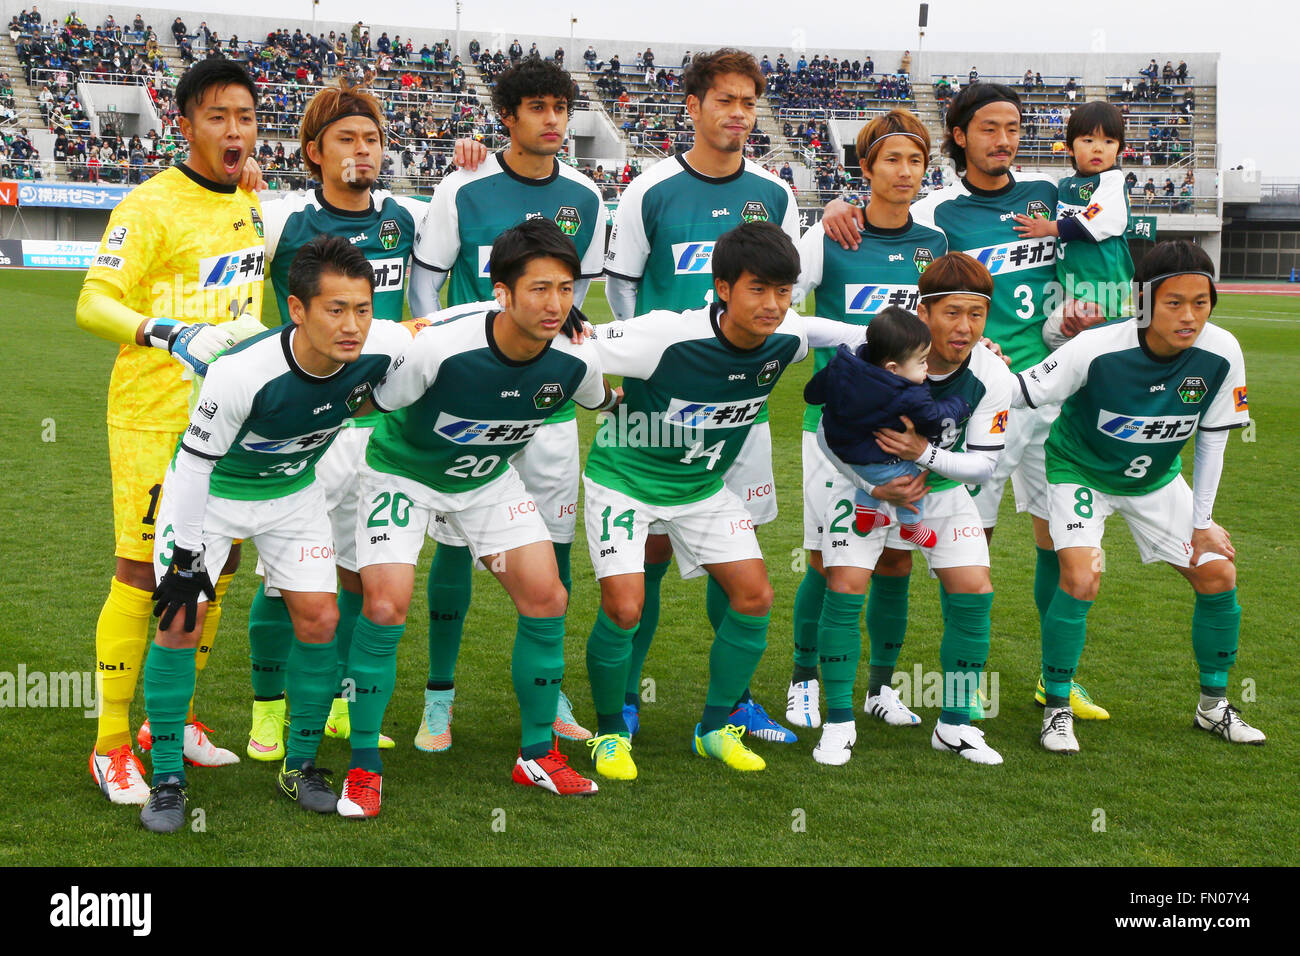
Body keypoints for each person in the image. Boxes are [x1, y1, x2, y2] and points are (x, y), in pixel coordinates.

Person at [819, 82, 1111, 720]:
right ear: (958, 136)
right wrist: (837, 204)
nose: (1003, 140)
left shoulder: (1049, 197)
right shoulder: (940, 214)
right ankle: (941, 685)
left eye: (1013, 128)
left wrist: (1072, 318)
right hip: (974, 391)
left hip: (1048, 388)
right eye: (989, 128)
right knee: (961, 538)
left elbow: (1106, 183)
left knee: (1054, 537)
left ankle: (1054, 681)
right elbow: (885, 208)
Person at [138, 237, 411, 832]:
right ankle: (165, 777)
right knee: (181, 622)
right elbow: (195, 467)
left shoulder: (381, 349)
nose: (352, 325)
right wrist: (185, 559)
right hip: (211, 499)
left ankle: (301, 764)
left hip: (292, 498)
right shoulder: (242, 374)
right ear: (297, 309)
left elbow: (437, 330)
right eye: (335, 309)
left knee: (320, 618)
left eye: (362, 309)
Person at [346, 219, 617, 813]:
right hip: (404, 476)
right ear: (502, 293)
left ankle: (537, 754)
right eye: (540, 289)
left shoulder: (575, 359)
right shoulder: (440, 347)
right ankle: (363, 763)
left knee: (547, 596)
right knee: (386, 604)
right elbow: (379, 402)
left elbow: (606, 400)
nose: (555, 304)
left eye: (567, 289)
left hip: (488, 481)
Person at [581, 222, 864, 781]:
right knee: (625, 606)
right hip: (625, 482)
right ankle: (610, 732)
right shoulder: (664, 335)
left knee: (755, 596)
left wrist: (956, 342)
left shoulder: (788, 337)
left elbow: (856, 334)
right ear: (722, 288)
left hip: (703, 489)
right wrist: (602, 401)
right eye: (758, 289)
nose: (773, 305)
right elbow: (578, 347)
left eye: (784, 292)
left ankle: (714, 728)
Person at [76, 57, 266, 809]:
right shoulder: (149, 205)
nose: (233, 131)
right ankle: (111, 743)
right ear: (183, 125)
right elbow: (93, 304)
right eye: (216, 117)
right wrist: (167, 332)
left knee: (217, 570)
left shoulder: (251, 204)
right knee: (144, 572)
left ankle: (174, 717)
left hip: (236, 415)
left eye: (244, 117)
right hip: (157, 416)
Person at [408, 58, 605, 753]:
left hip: (545, 410)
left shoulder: (585, 196)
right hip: (470, 407)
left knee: (552, 555)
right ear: (507, 117)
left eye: (561, 107)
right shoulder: (462, 186)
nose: (552, 120)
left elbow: (577, 297)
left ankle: (547, 700)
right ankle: (439, 698)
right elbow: (425, 290)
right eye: (537, 107)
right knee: (454, 549)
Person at [603, 48, 800, 742]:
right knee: (646, 558)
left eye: (749, 101)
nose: (739, 113)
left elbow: (787, 292)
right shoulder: (648, 190)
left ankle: (736, 701)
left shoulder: (775, 194)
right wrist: (632, 378)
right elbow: (622, 287)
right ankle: (624, 697)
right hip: (662, 412)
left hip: (737, 409)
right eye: (725, 100)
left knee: (734, 554)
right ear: (693, 107)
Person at [237, 83, 432, 763]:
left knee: (354, 570)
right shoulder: (282, 220)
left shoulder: (405, 219)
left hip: (377, 424)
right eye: (347, 139)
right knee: (283, 578)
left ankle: (343, 706)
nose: (363, 151)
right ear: (314, 151)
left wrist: (469, 161)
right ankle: (267, 710)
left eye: (373, 139)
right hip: (305, 425)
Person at [1015, 240, 1263, 753]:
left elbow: (1213, 439)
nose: (1190, 316)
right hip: (1079, 470)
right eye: (1174, 303)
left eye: (1201, 301)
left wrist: (1203, 522)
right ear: (1144, 301)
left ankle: (1212, 706)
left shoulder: (1222, 351)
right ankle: (1057, 708)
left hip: (1154, 479)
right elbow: (1024, 391)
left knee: (1218, 571)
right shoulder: (1097, 347)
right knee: (1081, 578)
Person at [801, 253, 1013, 766]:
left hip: (940, 490)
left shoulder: (992, 373)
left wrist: (923, 455)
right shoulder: (873, 348)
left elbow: (984, 466)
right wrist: (873, 484)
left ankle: (956, 725)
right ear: (924, 311)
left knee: (973, 587)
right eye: (952, 313)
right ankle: (837, 722)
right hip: (861, 484)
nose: (964, 328)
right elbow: (829, 433)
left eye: (976, 315)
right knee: (845, 582)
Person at [786, 109, 947, 729]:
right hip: (838, 437)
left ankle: (881, 687)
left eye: (915, 161)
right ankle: (804, 679)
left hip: (906, 433)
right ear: (866, 167)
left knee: (897, 559)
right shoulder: (830, 234)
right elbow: (789, 313)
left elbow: (946, 323)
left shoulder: (933, 244)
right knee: (827, 561)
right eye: (892, 160)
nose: (904, 172)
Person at [807, 308, 971, 546]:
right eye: (922, 362)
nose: (926, 368)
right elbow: (934, 420)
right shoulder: (910, 395)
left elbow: (812, 393)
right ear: (893, 368)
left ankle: (865, 516)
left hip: (840, 446)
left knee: (873, 471)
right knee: (912, 480)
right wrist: (959, 404)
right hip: (873, 459)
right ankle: (911, 527)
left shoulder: (842, 363)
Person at [1013, 101, 1134, 331]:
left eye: (1109, 141)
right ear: (1069, 147)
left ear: (1119, 149)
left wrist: (1049, 228)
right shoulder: (1066, 184)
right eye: (1088, 140)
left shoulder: (1112, 181)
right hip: (1074, 287)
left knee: (1052, 334)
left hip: (1102, 290)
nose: (1098, 148)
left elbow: (1095, 222)